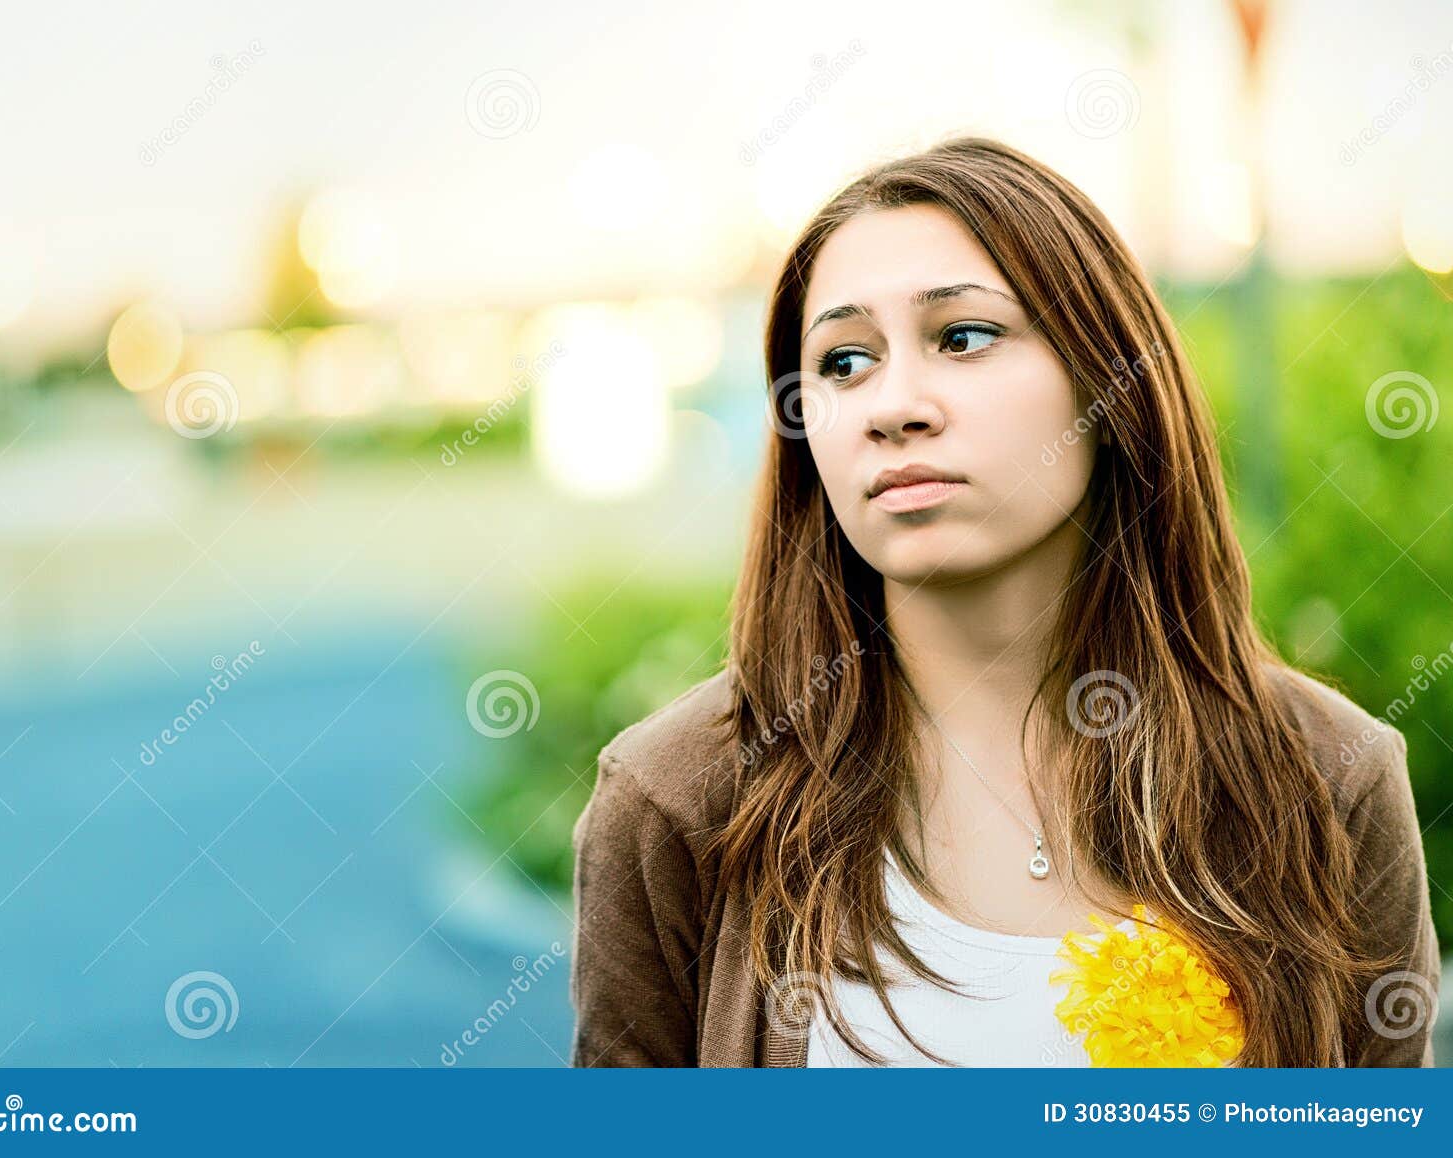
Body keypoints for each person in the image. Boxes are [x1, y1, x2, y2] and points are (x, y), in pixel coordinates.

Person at [569, 136, 1441, 1067]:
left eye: (962, 337)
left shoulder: (1329, 781)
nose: (891, 404)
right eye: (842, 362)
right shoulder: (674, 804)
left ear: (1109, 385)